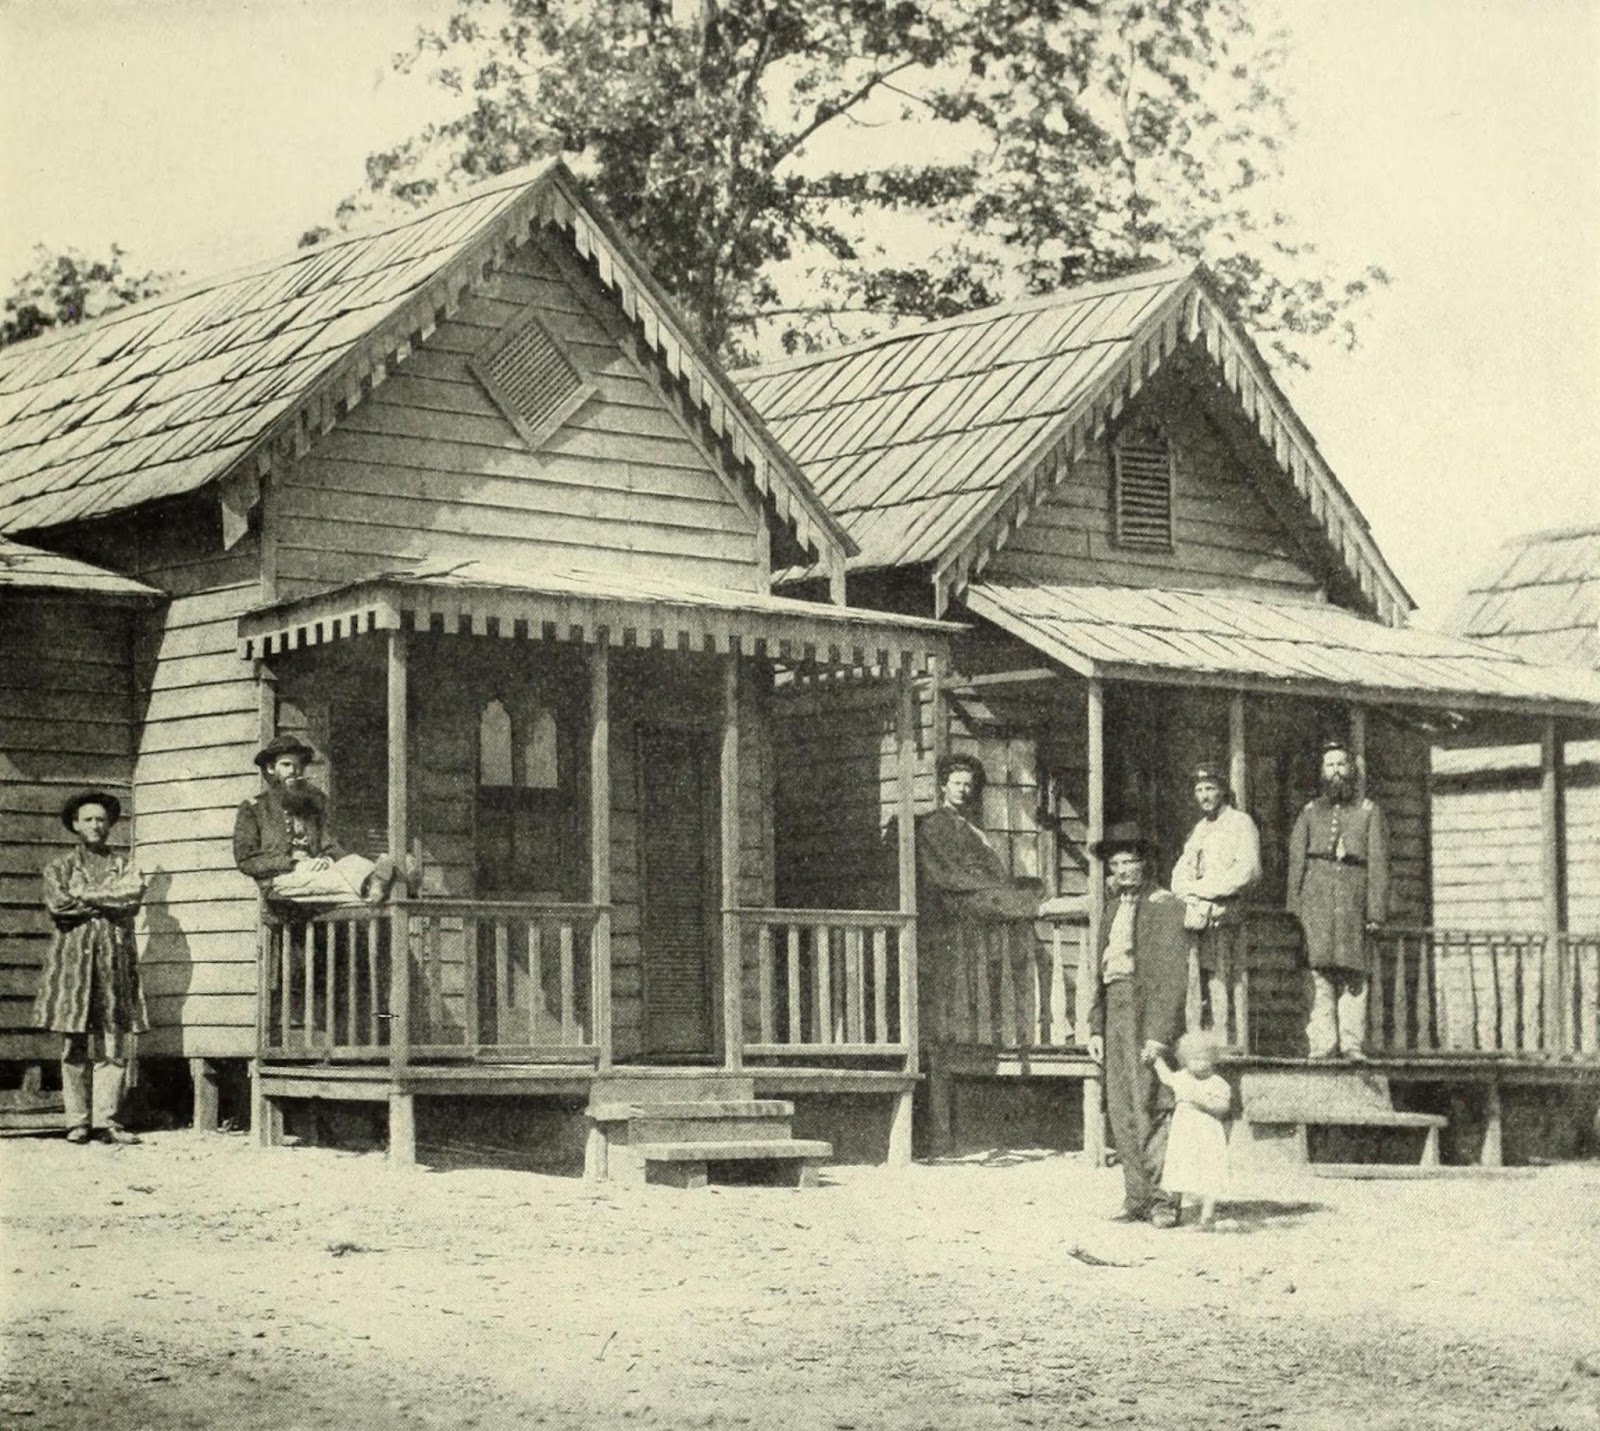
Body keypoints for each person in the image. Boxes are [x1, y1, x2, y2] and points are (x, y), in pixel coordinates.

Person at [1084, 822, 1189, 1227]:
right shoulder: (1111, 908)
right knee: (1121, 1105)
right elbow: (1100, 973)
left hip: (1146, 1013)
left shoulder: (1165, 906)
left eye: (1130, 862)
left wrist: (1159, 1035)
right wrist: (1096, 1026)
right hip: (1114, 1009)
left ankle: (1164, 1200)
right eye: (1117, 864)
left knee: (1153, 1103)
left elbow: (1171, 977)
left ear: (1144, 865)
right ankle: (1136, 1196)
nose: (1124, 870)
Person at [34, 791, 148, 1145]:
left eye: (101, 819)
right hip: (74, 964)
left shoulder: (124, 864)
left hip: (114, 962)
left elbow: (130, 899)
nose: (96, 826)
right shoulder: (59, 867)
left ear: (110, 824)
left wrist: (86, 894)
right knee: (75, 1043)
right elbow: (60, 904)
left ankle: (106, 1120)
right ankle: (77, 1121)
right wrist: (105, 898)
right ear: (75, 824)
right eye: (88, 820)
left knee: (113, 1042)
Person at [1286, 737, 1389, 1059]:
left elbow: (1379, 864)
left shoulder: (1369, 812)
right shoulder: (1309, 812)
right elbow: (1296, 861)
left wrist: (1375, 913)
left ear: (1351, 770)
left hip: (1352, 903)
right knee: (1317, 974)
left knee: (1353, 976)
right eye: (1329, 765)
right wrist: (1295, 910)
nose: (1336, 772)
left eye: (1341, 764)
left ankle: (1351, 1044)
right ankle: (1322, 1045)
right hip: (1315, 903)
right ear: (1321, 771)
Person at [233, 735, 409, 908]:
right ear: (271, 769)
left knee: (347, 863)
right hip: (279, 883)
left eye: (299, 766)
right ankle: (385, 884)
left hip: (318, 873)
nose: (295, 771)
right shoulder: (254, 808)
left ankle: (376, 882)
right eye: (286, 765)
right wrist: (296, 865)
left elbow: (329, 844)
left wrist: (327, 859)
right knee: (338, 880)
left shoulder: (313, 804)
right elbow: (247, 860)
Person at [1170, 761, 1261, 1038]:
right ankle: (1201, 1039)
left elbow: (1248, 871)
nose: (1204, 796)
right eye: (1199, 790)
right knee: (1200, 979)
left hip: (1226, 917)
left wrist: (1204, 891)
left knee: (1224, 980)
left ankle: (1226, 1037)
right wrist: (1190, 894)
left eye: (1210, 788)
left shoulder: (1240, 824)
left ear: (1222, 790)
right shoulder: (1200, 829)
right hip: (1200, 917)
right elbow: (1179, 875)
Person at [916, 754, 1046, 922]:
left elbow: (993, 867)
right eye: (956, 784)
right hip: (958, 897)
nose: (962, 790)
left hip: (982, 890)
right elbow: (948, 871)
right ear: (943, 787)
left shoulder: (972, 827)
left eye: (967, 785)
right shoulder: (934, 823)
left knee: (1035, 886)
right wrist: (987, 885)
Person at [1153, 1030, 1233, 1228]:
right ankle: (1175, 1208)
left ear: (1213, 1060)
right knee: (1181, 1166)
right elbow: (1166, 1077)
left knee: (1209, 1170)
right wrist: (1155, 1060)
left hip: (1207, 1132)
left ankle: (1207, 1214)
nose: (1200, 1064)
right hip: (1185, 1133)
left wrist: (1204, 1104)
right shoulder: (1182, 1078)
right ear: (1185, 1060)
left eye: (1205, 1059)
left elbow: (1224, 1108)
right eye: (1195, 1059)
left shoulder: (1217, 1083)